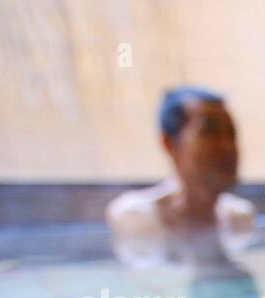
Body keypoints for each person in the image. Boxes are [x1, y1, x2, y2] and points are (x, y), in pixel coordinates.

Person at [107, 87, 256, 267]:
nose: (227, 146)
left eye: (231, 134)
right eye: (210, 132)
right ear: (169, 143)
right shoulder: (136, 217)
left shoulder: (240, 217)